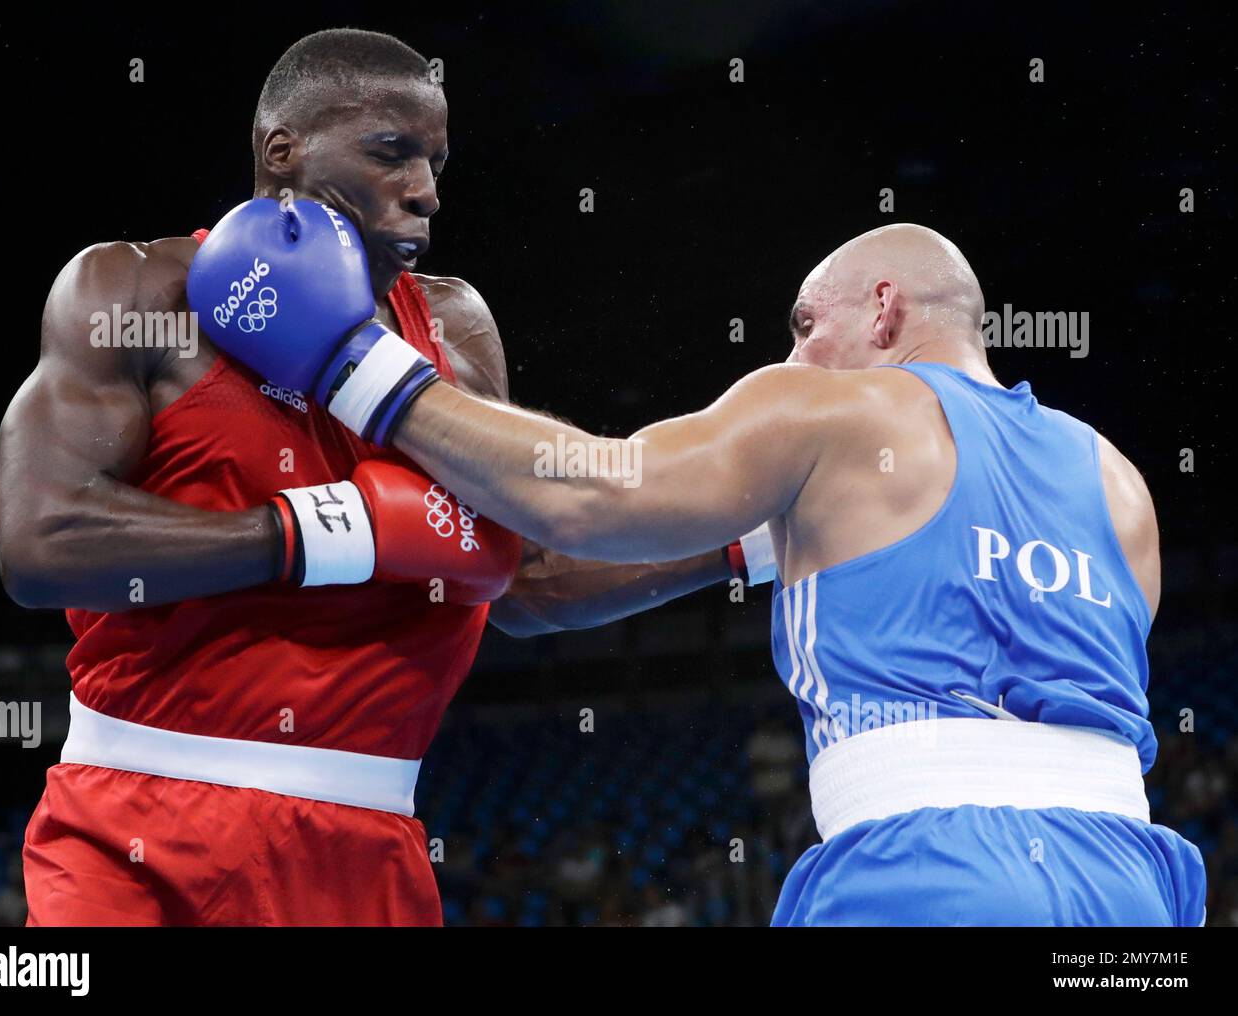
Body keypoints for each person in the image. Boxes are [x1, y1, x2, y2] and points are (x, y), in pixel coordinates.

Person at [198, 214, 1206, 924]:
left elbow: (586, 492)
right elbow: (550, 587)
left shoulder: (834, 410)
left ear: (885, 309)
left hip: (931, 869)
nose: (796, 353)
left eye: (808, 323)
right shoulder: (1115, 481)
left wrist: (351, 361)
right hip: (1134, 890)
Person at [0, 29, 744, 926]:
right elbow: (42, 541)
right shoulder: (138, 290)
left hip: (369, 848)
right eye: (391, 152)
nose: (425, 188)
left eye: (436, 159)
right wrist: (314, 534)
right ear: (285, 152)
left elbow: (526, 574)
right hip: (134, 829)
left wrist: (746, 543)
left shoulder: (453, 327)